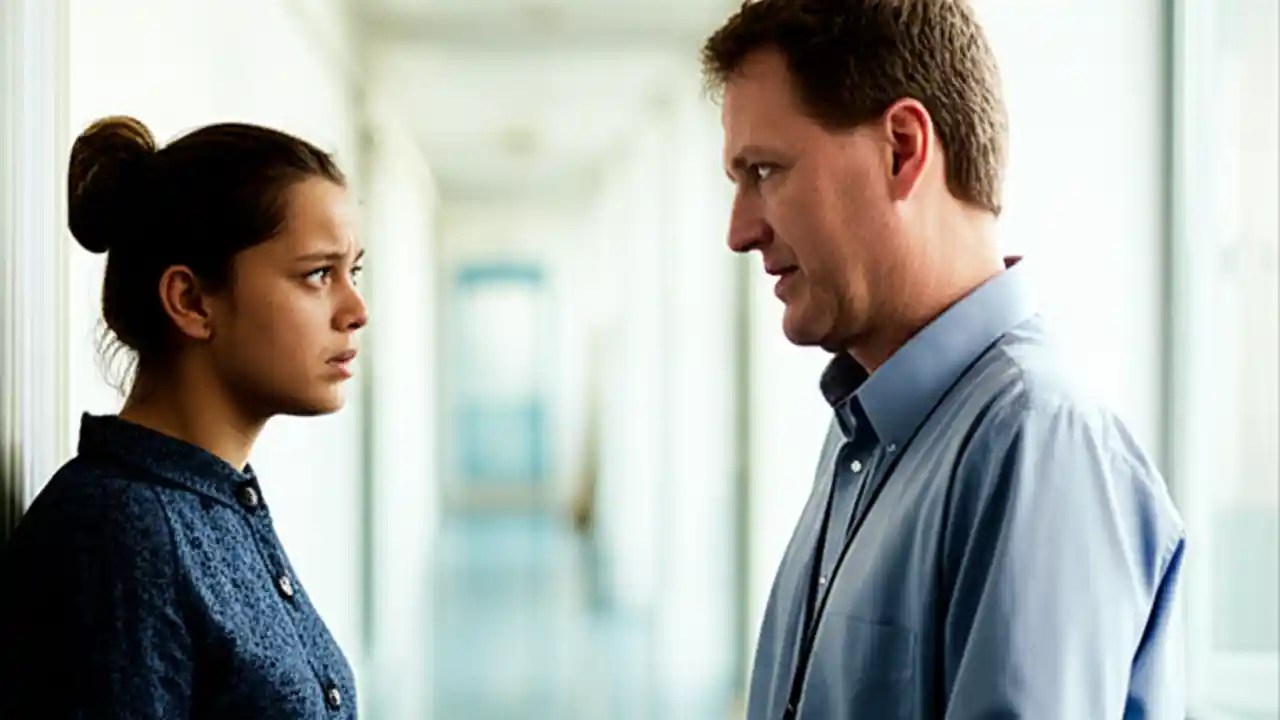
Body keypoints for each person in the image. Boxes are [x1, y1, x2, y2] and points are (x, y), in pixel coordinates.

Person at [701, 1, 1185, 718]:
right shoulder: (867, 434)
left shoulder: (1036, 443)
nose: (741, 232)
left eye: (765, 171)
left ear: (902, 148)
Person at [0, 116, 367, 718]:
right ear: (191, 301)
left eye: (354, 272)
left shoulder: (211, 498)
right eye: (317, 274)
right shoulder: (121, 531)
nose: (355, 309)